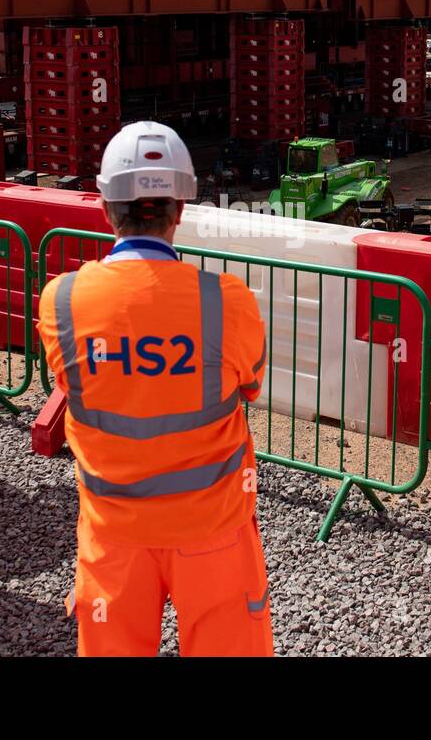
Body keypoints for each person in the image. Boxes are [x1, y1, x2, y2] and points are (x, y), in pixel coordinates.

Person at [38, 121, 274, 656]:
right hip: (213, 530)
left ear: (105, 208)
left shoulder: (61, 300)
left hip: (112, 534)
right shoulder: (227, 302)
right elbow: (250, 386)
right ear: (180, 210)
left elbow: (72, 382)